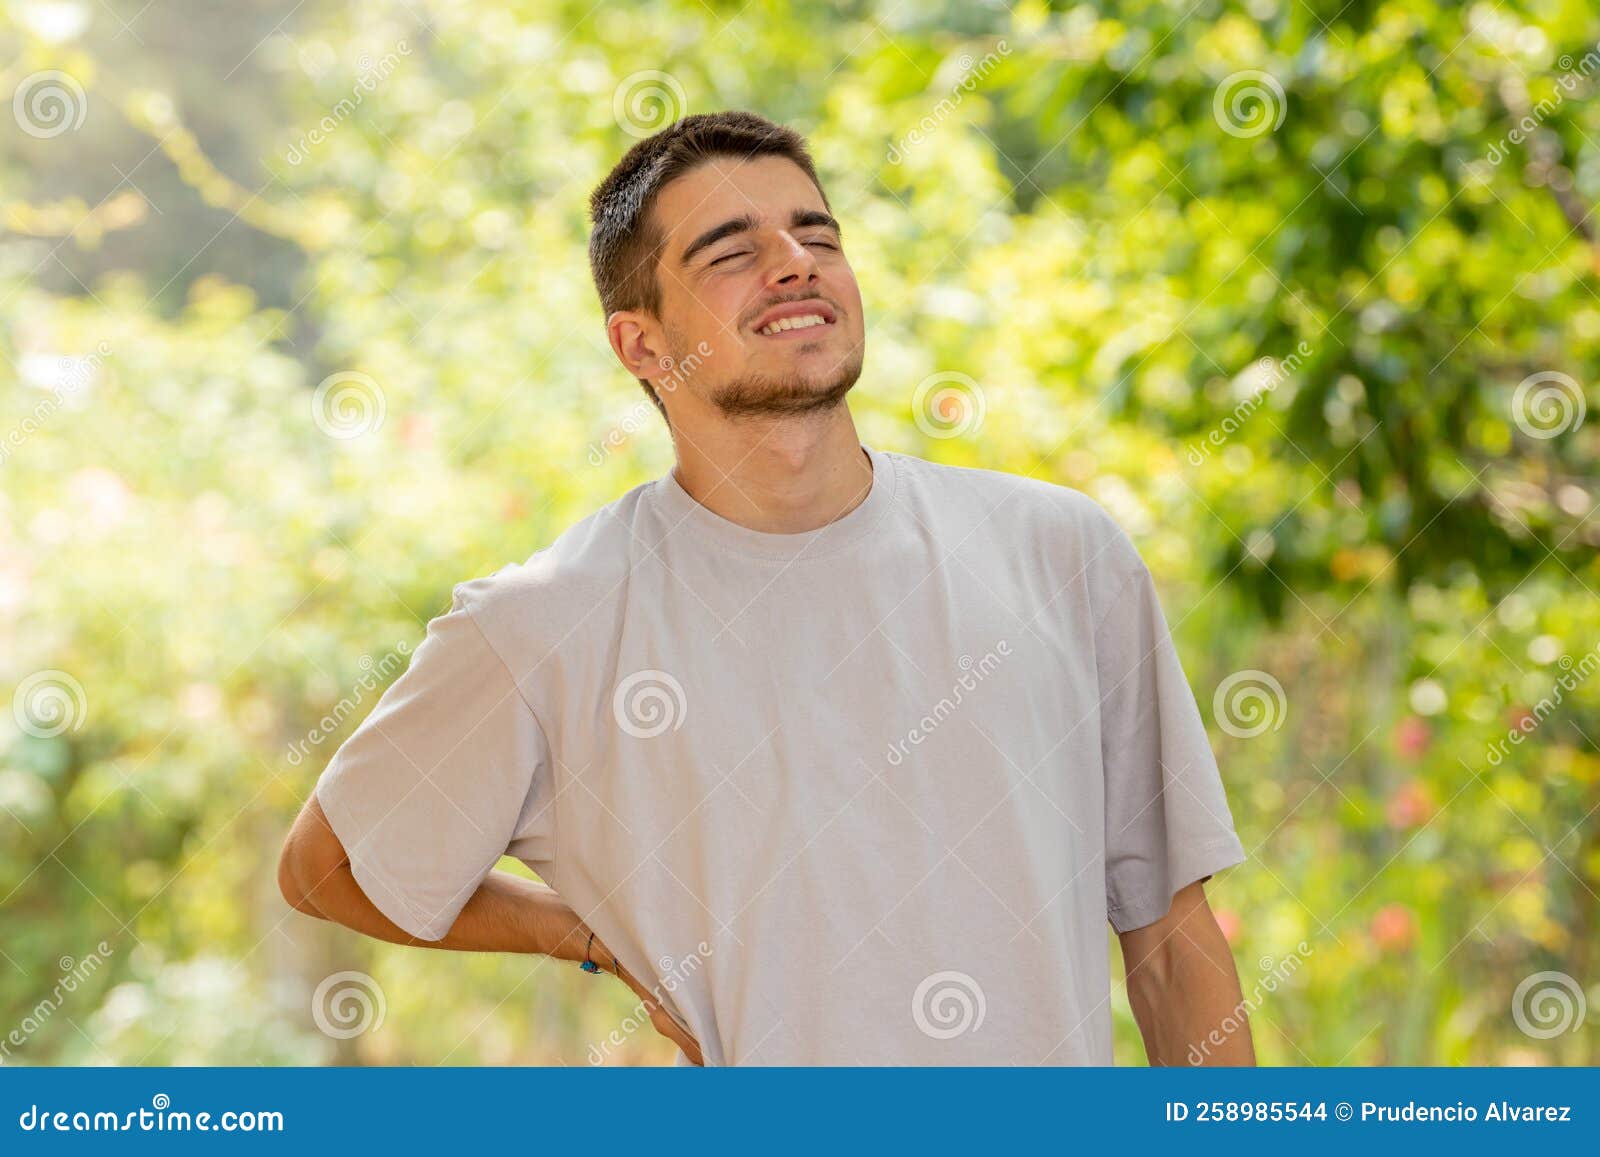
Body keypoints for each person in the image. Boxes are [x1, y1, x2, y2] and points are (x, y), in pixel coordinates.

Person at [277, 110, 1255, 1066]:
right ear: (642, 345)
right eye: (732, 252)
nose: (796, 263)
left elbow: (1171, 940)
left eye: (817, 236)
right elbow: (327, 867)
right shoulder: (548, 621)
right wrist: (579, 932)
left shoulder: (1059, 553)